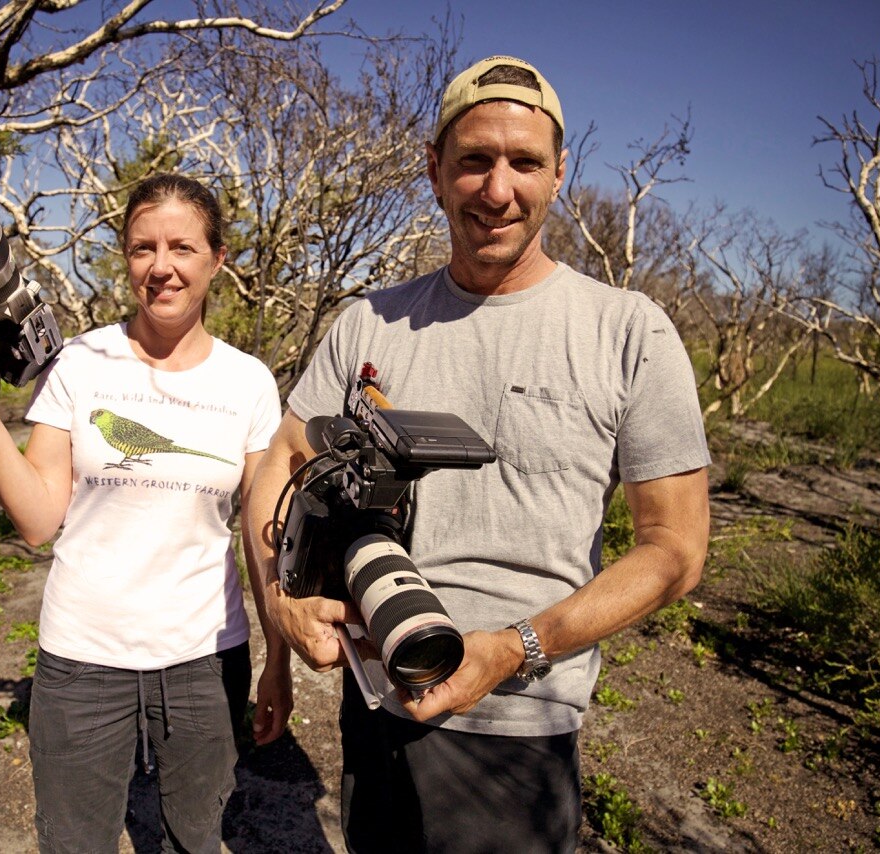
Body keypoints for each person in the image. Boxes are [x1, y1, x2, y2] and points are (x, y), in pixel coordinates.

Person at [247, 56, 710, 853]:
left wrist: (515, 649)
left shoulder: (628, 331)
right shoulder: (370, 323)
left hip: (519, 733)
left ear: (560, 174)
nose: (499, 190)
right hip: (373, 706)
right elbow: (278, 465)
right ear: (434, 170)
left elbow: (675, 550)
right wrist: (283, 610)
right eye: (474, 161)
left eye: (525, 162)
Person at [0, 173, 292, 853]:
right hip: (82, 657)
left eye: (182, 247)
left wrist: (277, 659)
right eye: (141, 248)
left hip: (205, 659)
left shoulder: (248, 382)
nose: (161, 267)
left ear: (217, 259)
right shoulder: (79, 362)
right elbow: (38, 520)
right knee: (74, 842)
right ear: (125, 258)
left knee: (197, 836)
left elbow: (261, 532)